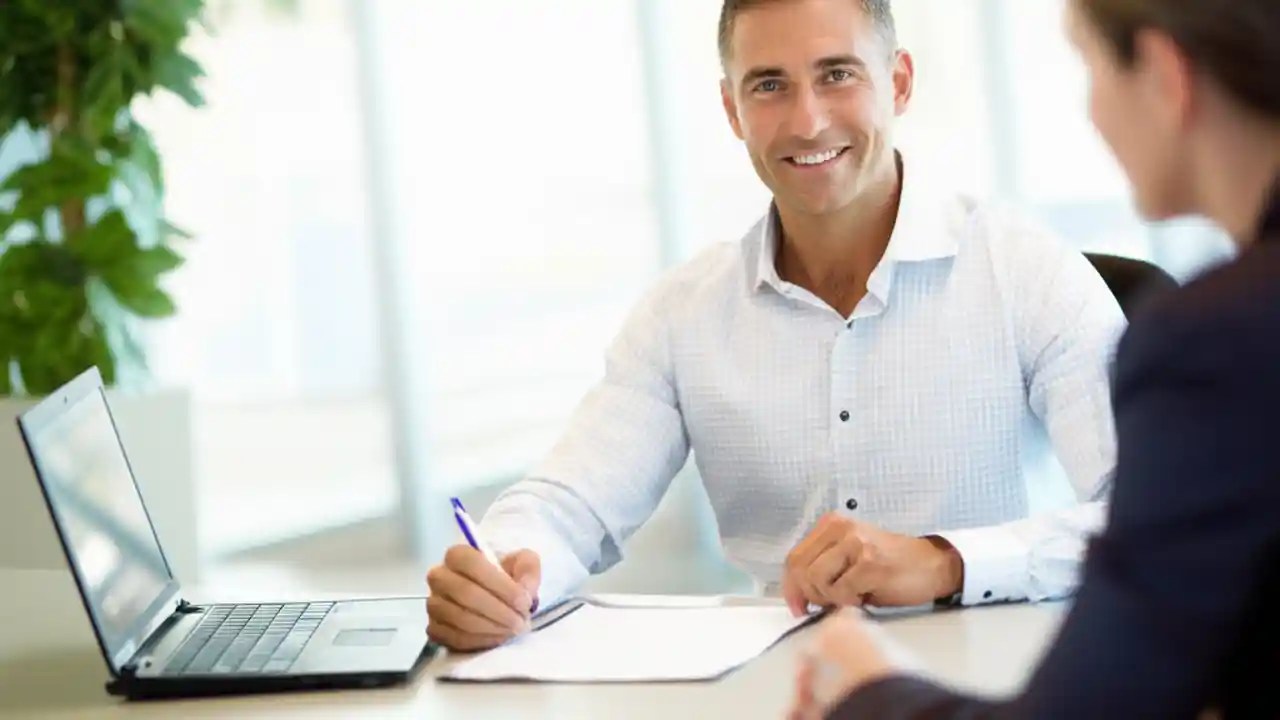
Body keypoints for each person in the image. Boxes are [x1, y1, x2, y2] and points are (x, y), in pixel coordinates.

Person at [424, 0, 1127, 652]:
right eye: (768, 86)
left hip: (1002, 680)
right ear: (732, 109)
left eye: (837, 74)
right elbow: (569, 501)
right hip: (780, 687)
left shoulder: (1027, 271)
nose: (808, 121)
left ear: (900, 82)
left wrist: (946, 561)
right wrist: (505, 572)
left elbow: (1151, 514)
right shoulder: (684, 313)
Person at [791, 0, 1280, 717]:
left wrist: (871, 690)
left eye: (1090, 67)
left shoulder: (1216, 340)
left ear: (1167, 76)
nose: (1091, 113)